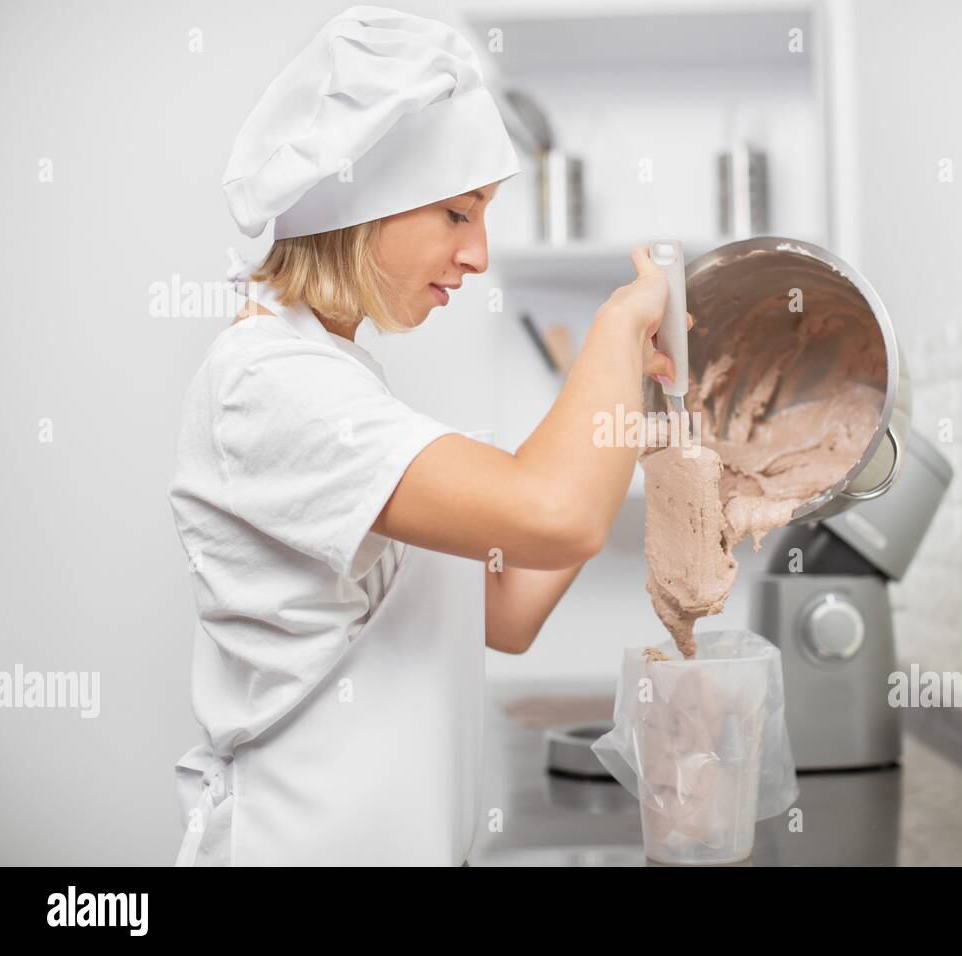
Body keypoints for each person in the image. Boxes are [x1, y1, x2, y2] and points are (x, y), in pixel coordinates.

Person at [168, 6, 687, 866]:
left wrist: (628, 409)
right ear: (361, 206)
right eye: (456, 213)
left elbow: (508, 608)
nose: (478, 253)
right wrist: (617, 329)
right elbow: (556, 512)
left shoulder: (340, 381)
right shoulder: (267, 388)